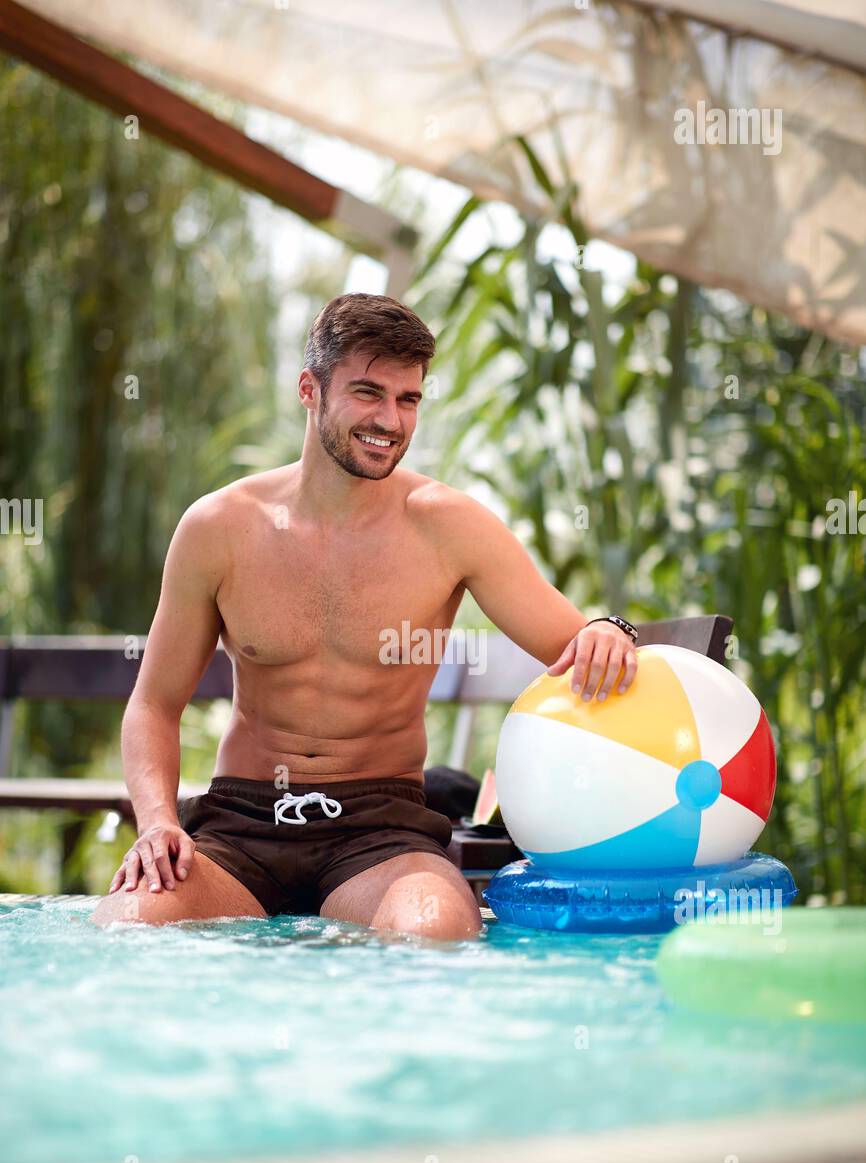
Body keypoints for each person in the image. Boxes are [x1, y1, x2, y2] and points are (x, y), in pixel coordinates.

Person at [91, 294, 638, 938]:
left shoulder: (451, 527)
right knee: (130, 923)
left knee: (435, 930)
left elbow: (574, 642)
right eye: (368, 393)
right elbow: (154, 704)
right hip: (241, 827)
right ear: (309, 389)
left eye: (408, 400)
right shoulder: (220, 528)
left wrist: (609, 630)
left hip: (381, 832)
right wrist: (158, 822)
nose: (391, 420)